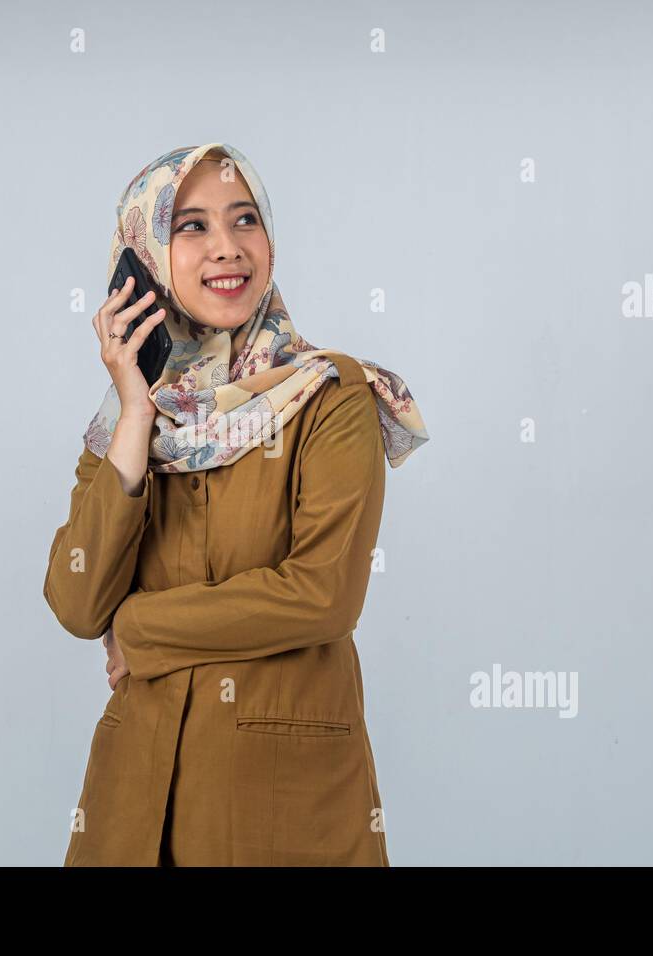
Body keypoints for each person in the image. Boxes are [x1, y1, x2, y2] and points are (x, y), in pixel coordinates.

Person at [44, 142, 429, 866]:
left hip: (276, 811)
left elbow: (321, 596)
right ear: (144, 259)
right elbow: (75, 600)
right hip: (131, 808)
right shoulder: (124, 425)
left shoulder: (331, 394)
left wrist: (142, 629)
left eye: (244, 220)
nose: (227, 248)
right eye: (190, 226)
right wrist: (135, 410)